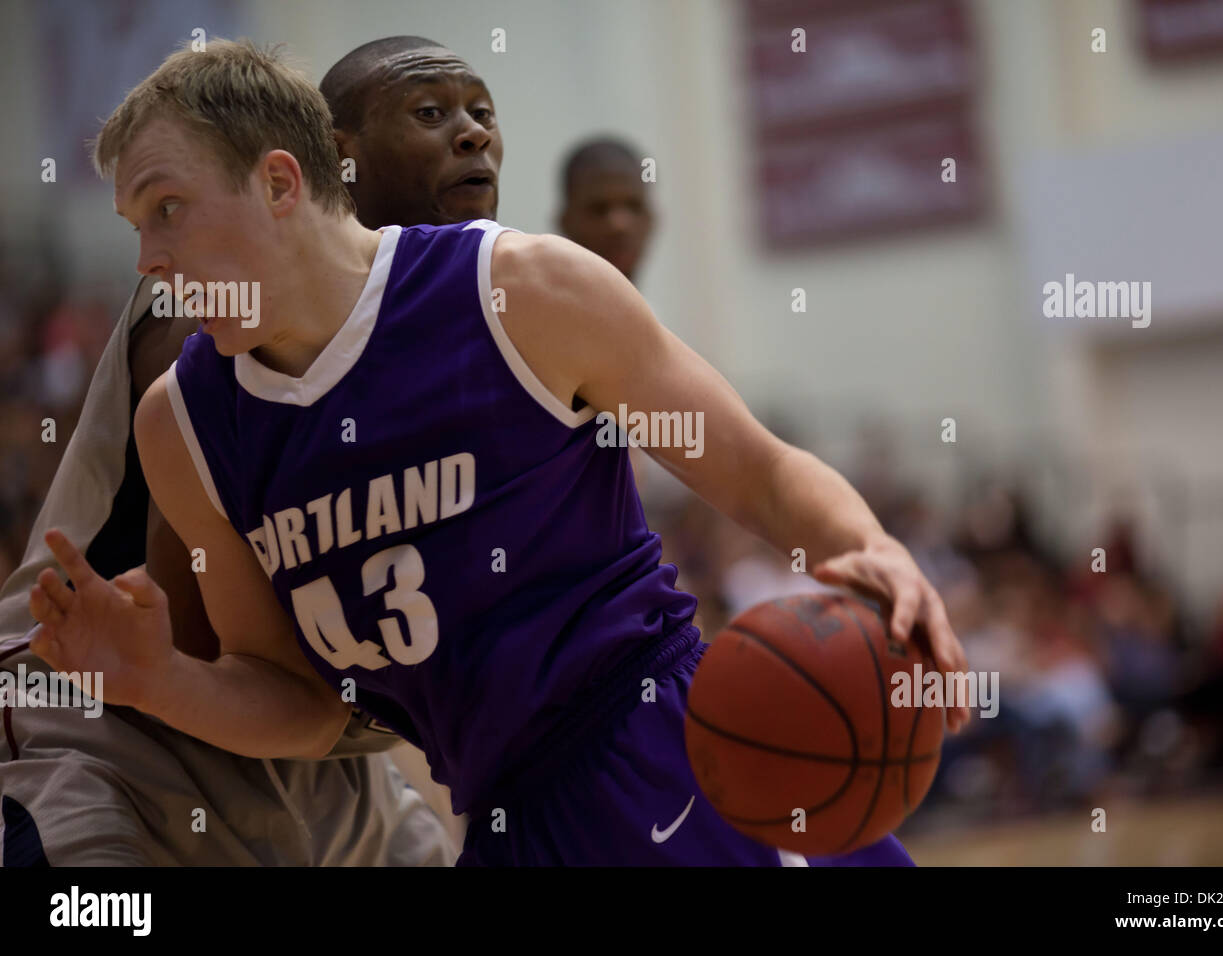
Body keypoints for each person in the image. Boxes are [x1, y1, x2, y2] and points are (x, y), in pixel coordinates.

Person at [31, 39, 971, 866]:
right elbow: (304, 704)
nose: (148, 257)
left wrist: (867, 545)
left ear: (279, 183)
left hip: (662, 753)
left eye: (167, 209)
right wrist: (158, 679)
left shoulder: (515, 290)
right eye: (135, 227)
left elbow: (760, 471)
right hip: (500, 817)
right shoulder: (185, 423)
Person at [0, 33, 503, 867]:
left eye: (482, 113)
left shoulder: (467, 318)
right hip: (109, 734)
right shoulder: (207, 320)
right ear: (324, 162)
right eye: (428, 114)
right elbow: (202, 651)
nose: (471, 134)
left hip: (315, 761)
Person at [556, 137, 653, 284]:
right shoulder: (529, 306)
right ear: (566, 222)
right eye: (599, 209)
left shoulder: (655, 307)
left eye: (634, 206)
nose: (619, 225)